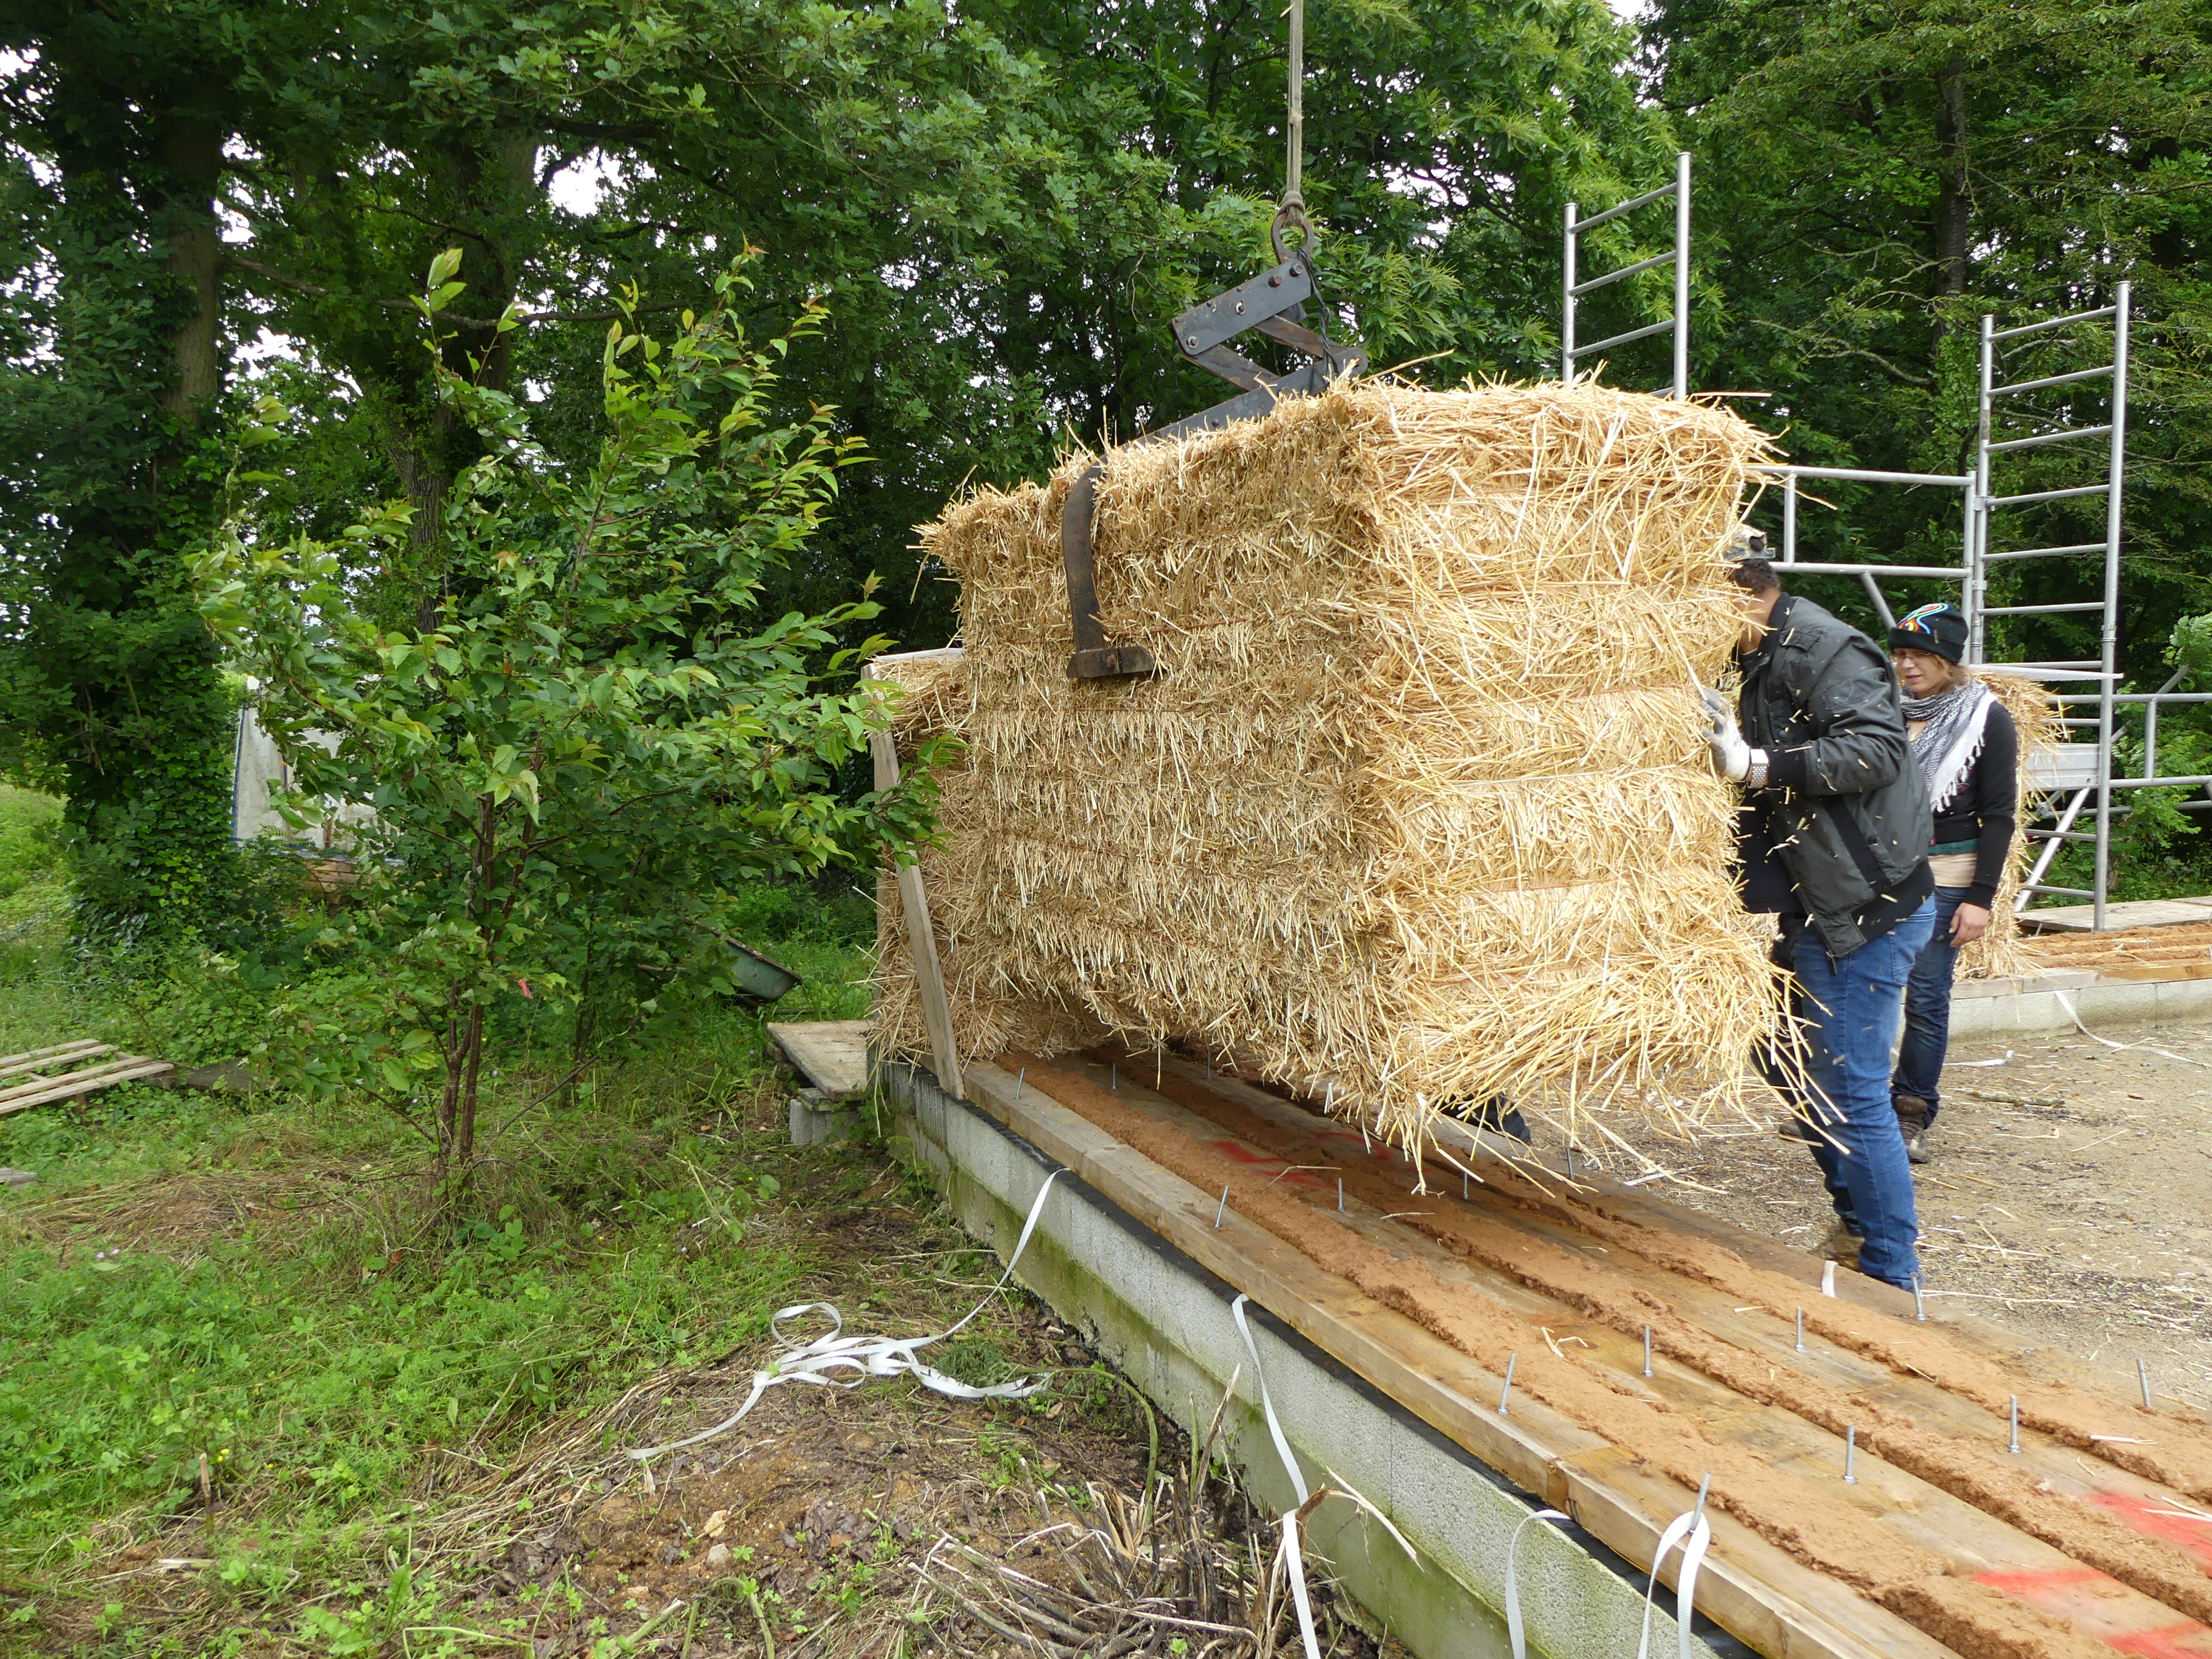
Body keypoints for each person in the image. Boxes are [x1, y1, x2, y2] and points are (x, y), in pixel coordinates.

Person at [1704, 535, 1936, 1290]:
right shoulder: (1756, 657)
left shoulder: (1824, 648)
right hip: (1811, 907)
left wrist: (1757, 765)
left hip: (1865, 910)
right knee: (1782, 1058)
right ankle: (1859, 1226)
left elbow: (1877, 751)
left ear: (1740, 593)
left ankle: (1890, 1274)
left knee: (1850, 1088)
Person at [1887, 602, 2018, 1165]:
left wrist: (1980, 899)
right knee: (1856, 988)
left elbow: (1999, 814)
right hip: (1879, 868)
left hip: (1946, 874)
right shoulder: (1885, 710)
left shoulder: (1984, 717)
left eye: (1920, 656)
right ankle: (1848, 1106)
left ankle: (1910, 1110)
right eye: (1899, 655)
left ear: (1947, 660)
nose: (1907, 667)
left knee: (1925, 995)